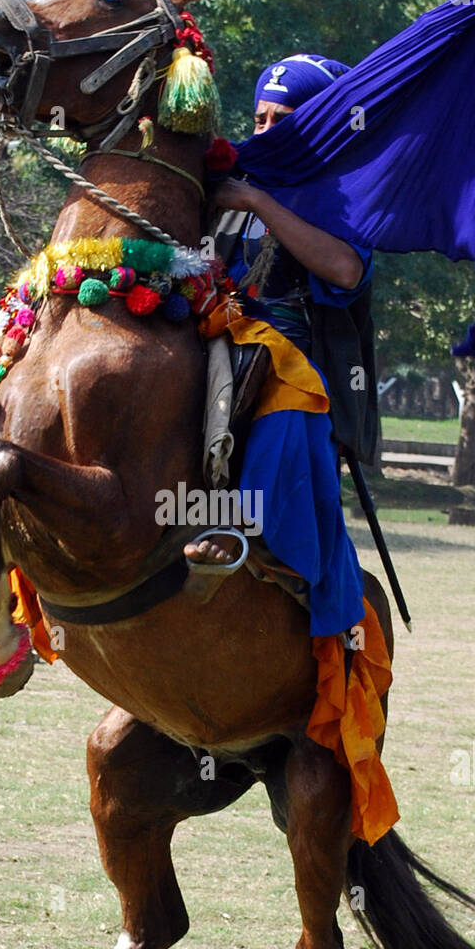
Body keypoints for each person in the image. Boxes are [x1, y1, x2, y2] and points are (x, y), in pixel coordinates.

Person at [185, 54, 372, 639]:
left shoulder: (346, 193)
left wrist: (260, 203)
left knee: (290, 399)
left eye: (282, 121)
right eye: (259, 119)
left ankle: (243, 528)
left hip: (286, 348)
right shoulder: (227, 173)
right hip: (204, 326)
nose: (264, 132)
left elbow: (346, 270)